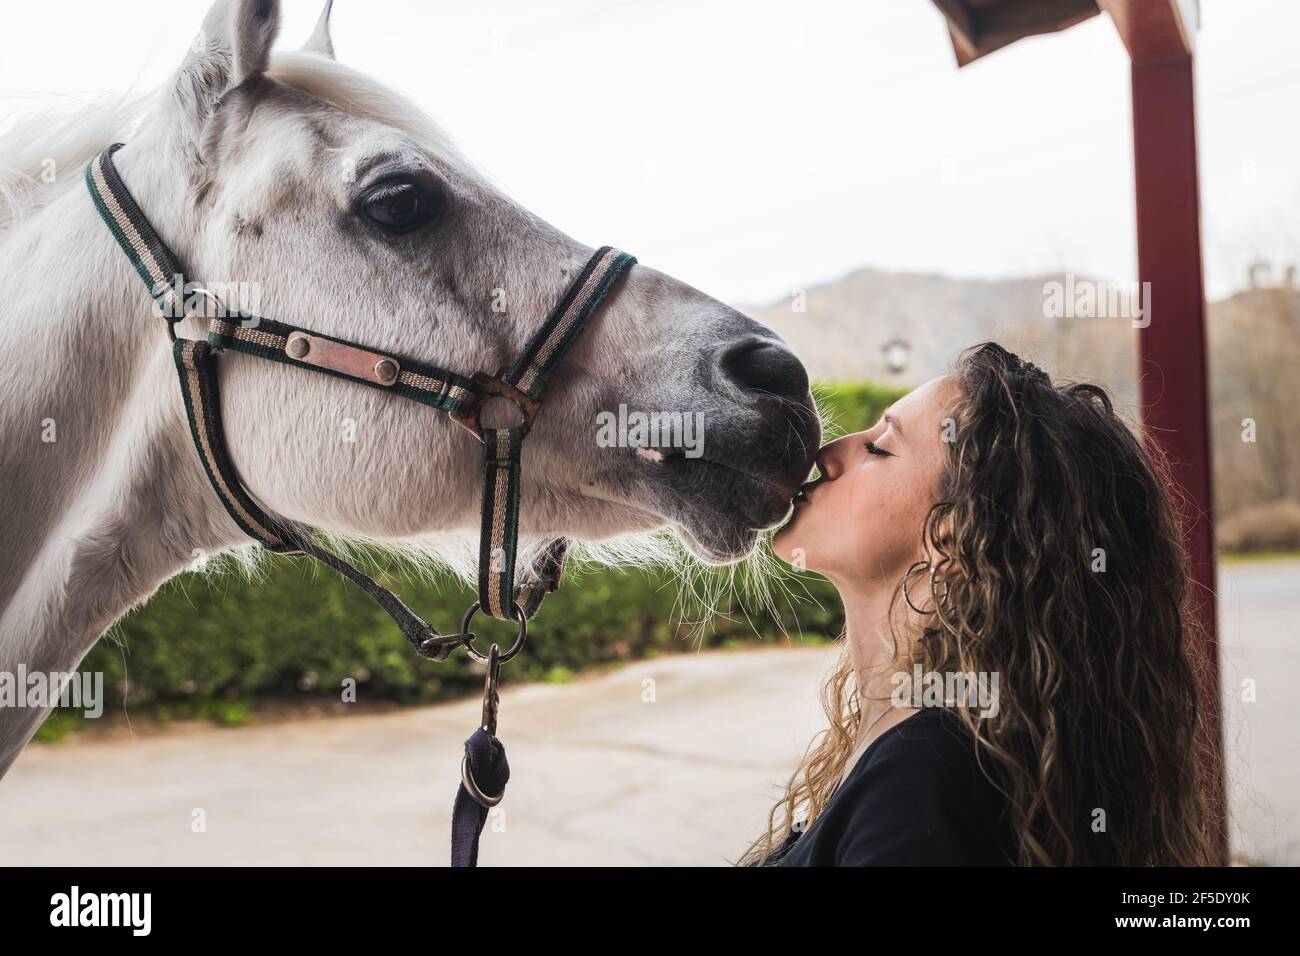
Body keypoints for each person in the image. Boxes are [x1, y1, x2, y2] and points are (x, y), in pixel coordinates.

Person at [741, 343, 1217, 866]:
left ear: (951, 538)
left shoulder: (920, 785)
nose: (827, 455)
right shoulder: (925, 755)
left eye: (879, 449)